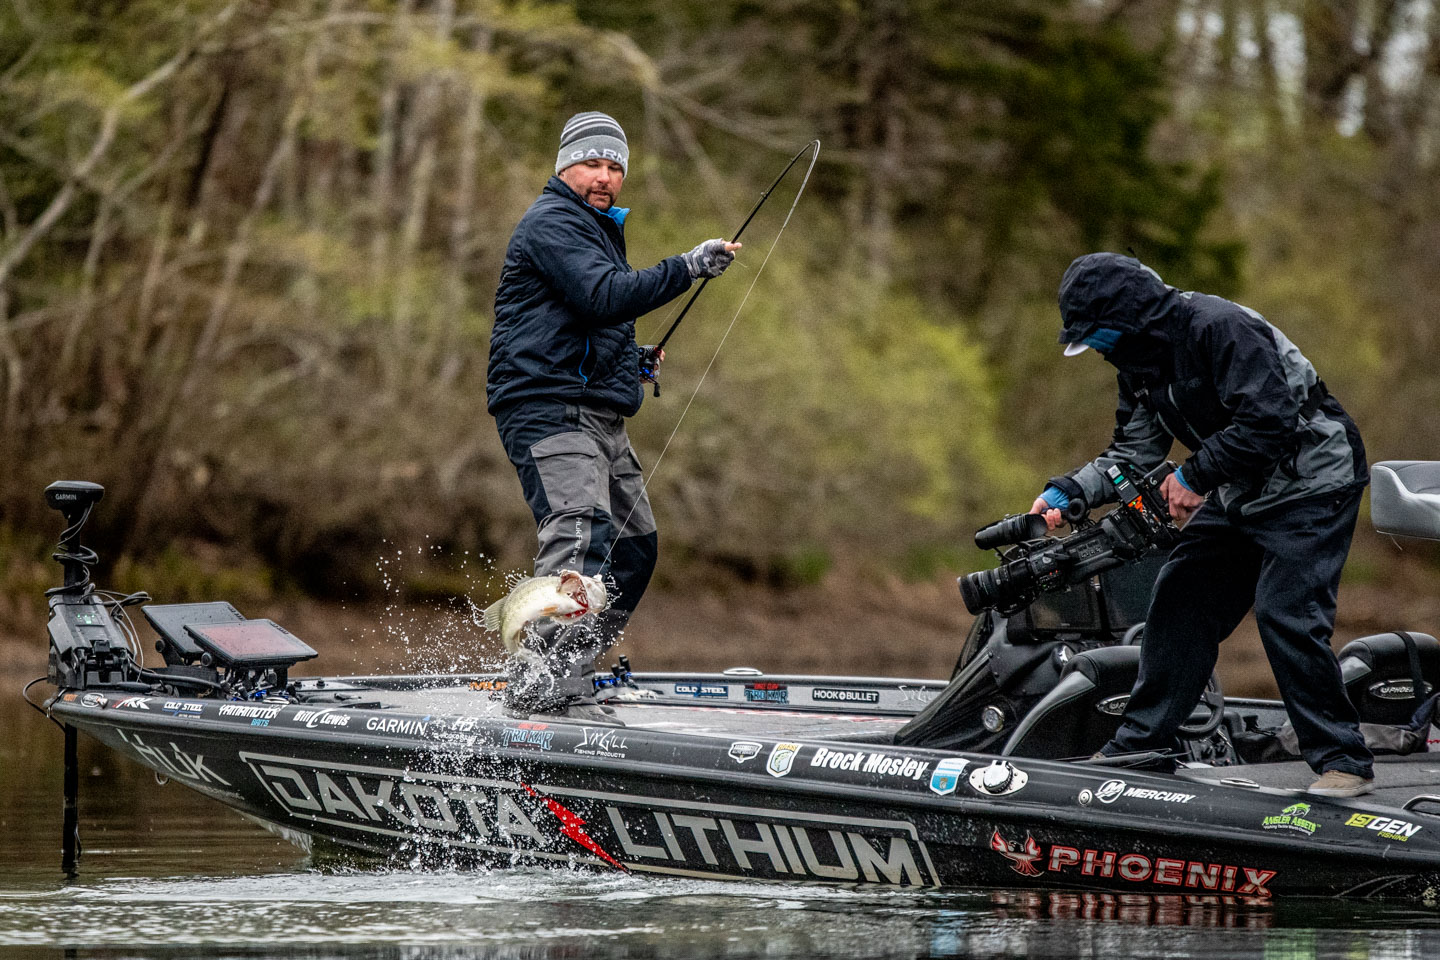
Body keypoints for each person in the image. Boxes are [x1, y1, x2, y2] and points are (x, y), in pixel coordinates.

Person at [1030, 252, 1375, 797]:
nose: (1097, 350)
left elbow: (1269, 422)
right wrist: (1067, 492)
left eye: (1099, 337)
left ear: (1131, 318)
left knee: (1286, 612)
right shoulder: (1137, 365)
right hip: (1242, 489)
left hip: (1313, 482)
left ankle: (1344, 762)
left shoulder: (1220, 328)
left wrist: (1194, 476)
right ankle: (1142, 746)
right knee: (1180, 595)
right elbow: (1132, 453)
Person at [487, 111, 740, 721]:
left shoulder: (595, 229)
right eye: (591, 164)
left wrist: (630, 360)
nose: (604, 176)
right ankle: (540, 687)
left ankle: (569, 669)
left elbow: (580, 322)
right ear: (564, 168)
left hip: (596, 414)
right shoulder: (552, 222)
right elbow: (603, 296)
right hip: (549, 409)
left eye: (614, 167)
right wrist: (686, 267)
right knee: (579, 536)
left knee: (633, 549)